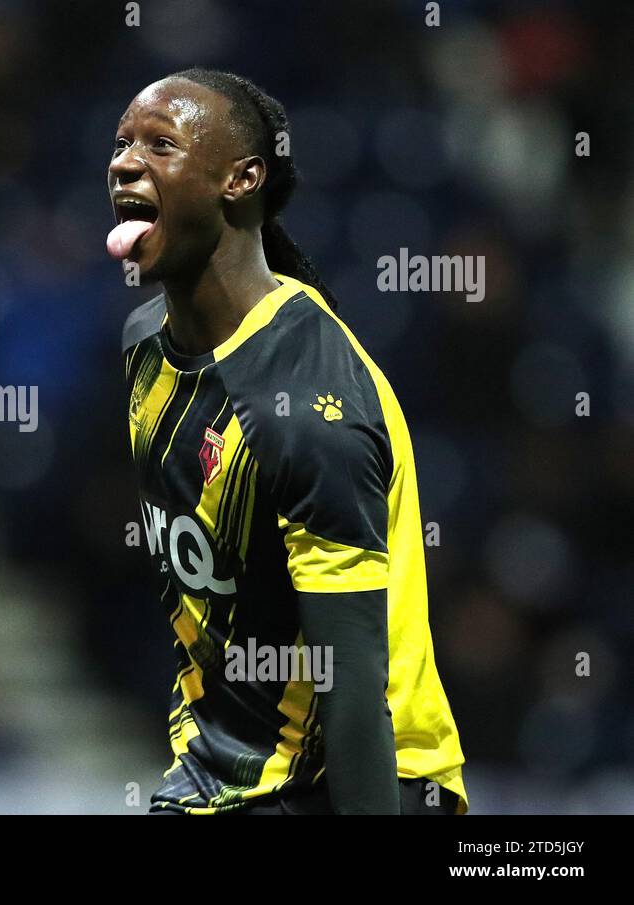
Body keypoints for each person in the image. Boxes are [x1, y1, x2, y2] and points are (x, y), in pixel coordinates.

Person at [108, 69, 466, 814]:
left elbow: (354, 684)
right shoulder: (144, 345)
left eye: (160, 145)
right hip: (218, 779)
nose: (125, 162)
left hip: (350, 782)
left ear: (241, 179)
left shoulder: (306, 408)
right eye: (122, 144)